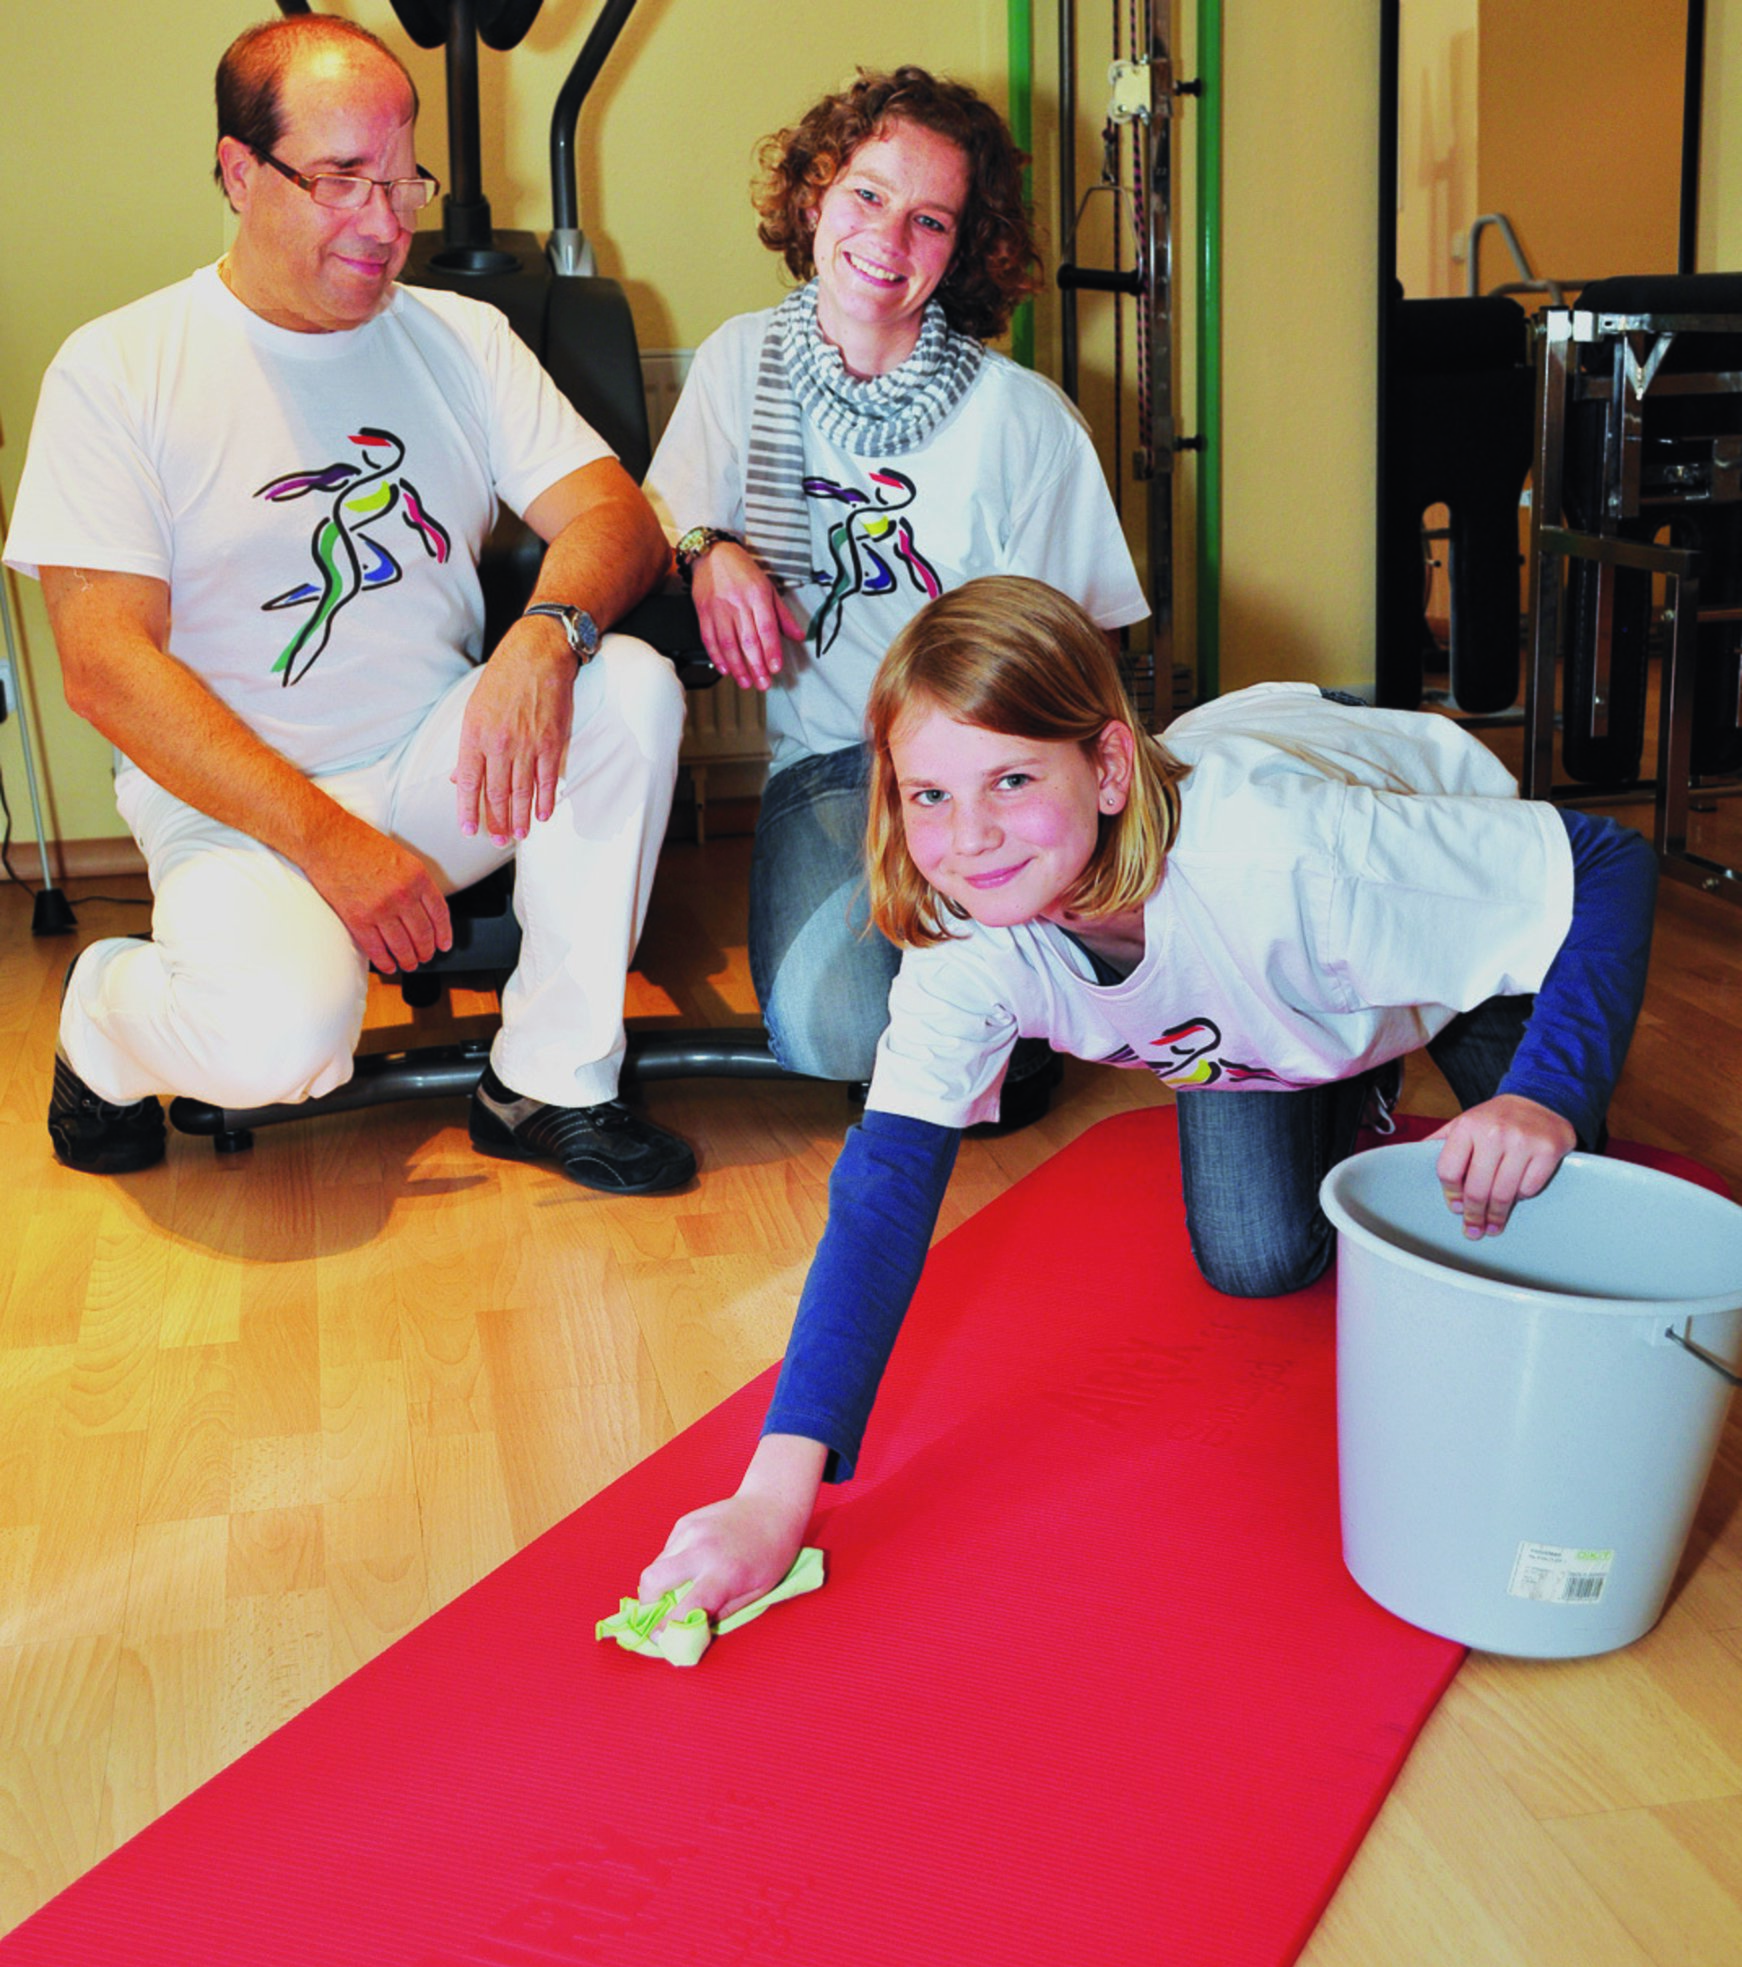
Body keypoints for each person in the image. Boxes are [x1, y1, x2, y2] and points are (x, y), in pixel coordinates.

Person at [640, 574, 1658, 1621]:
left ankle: (1416, 1029)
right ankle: (1354, 1066)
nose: (969, 838)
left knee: (1548, 1228)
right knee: (1253, 1257)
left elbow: (1606, 865)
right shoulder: (968, 938)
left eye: (1010, 779)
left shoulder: (1290, 859)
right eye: (928, 795)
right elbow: (884, 1190)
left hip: (1424, 881)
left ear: (1108, 768)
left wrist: (1546, 1095)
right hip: (1290, 969)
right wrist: (769, 1497)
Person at [5, 14, 694, 1194]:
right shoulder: (120, 369)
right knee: (276, 1049)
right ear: (238, 172)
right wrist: (332, 846)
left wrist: (546, 632)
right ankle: (103, 1017)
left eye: (401, 179)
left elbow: (618, 519)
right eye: (340, 182)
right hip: (233, 806)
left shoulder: (459, 340)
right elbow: (105, 666)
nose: (387, 223)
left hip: (428, 762)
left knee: (622, 683)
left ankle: (548, 1080)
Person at [643, 67, 1146, 1086]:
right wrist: (709, 549)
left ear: (961, 251)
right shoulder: (739, 366)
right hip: (833, 765)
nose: (886, 238)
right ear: (815, 196)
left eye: (929, 221)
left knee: (1028, 1048)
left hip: (991, 771)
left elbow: (1077, 663)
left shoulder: (1020, 419)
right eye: (867, 195)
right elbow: (651, 527)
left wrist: (1007, 804)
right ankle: (992, 997)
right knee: (828, 1032)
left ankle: (1008, 989)